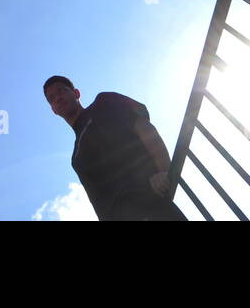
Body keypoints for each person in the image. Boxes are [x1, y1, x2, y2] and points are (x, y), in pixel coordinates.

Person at [43, 76, 186, 221]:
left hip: (152, 207)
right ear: (53, 110)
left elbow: (144, 127)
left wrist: (164, 171)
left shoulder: (103, 103)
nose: (58, 98)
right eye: (52, 98)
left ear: (76, 93)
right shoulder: (76, 159)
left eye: (61, 91)